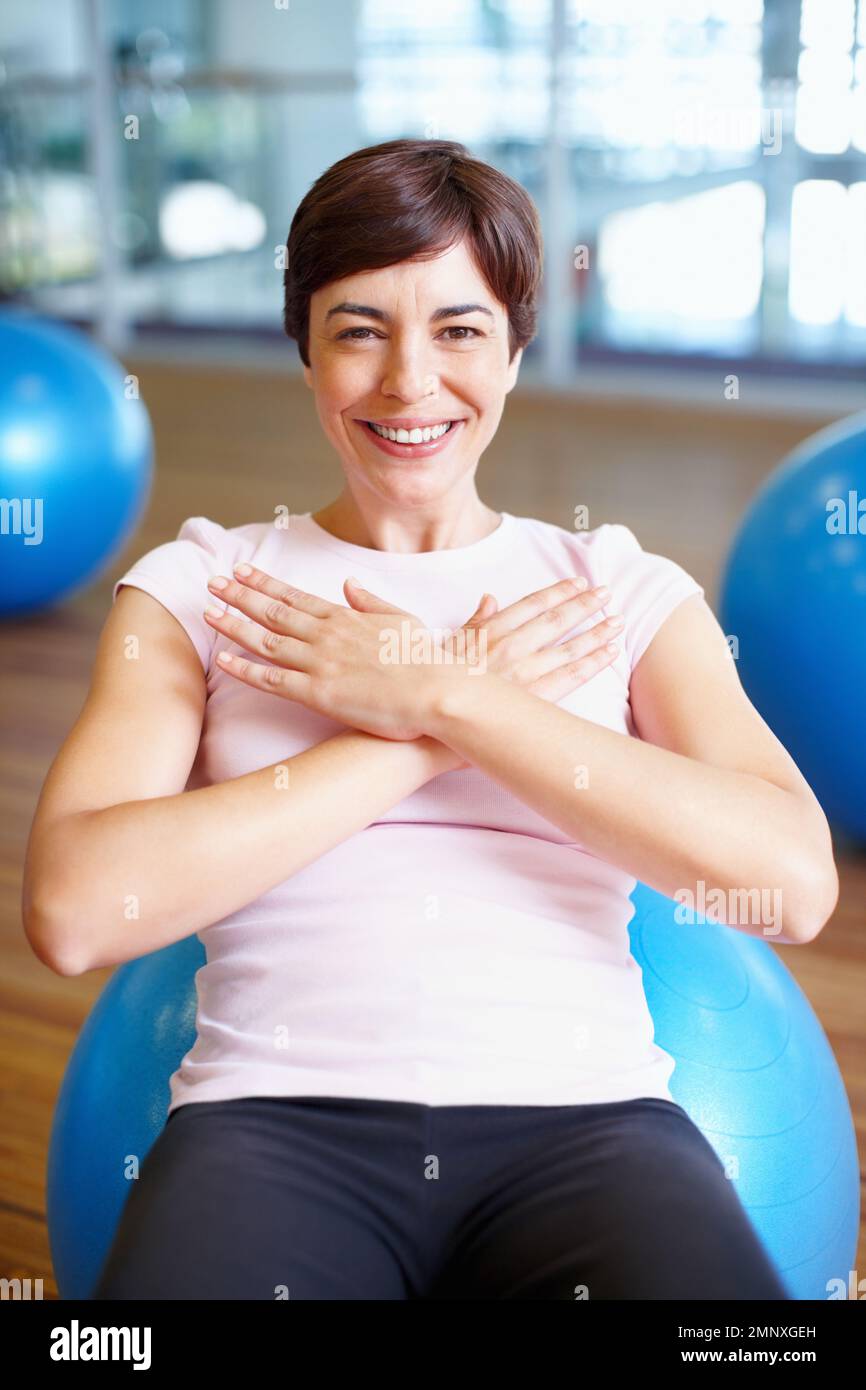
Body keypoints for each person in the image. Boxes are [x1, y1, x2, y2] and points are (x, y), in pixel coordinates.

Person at [25, 139, 837, 1300]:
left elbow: (791, 882)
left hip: (591, 1125)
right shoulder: (205, 585)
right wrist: (405, 732)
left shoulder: (612, 586)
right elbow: (73, 910)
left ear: (512, 349)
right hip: (268, 1128)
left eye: (457, 330)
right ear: (304, 348)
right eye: (359, 329)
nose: (410, 382)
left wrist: (450, 693)